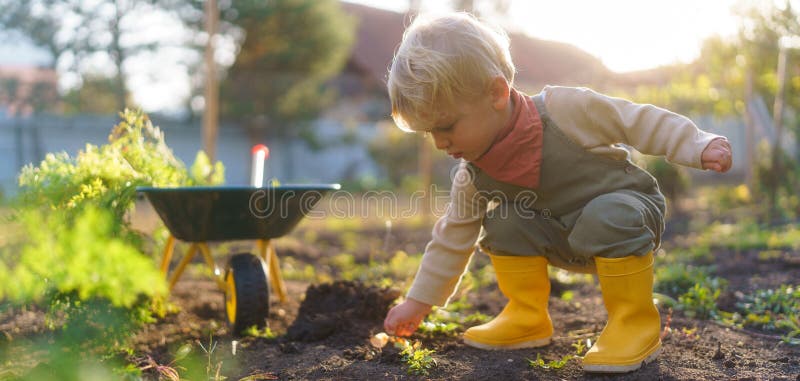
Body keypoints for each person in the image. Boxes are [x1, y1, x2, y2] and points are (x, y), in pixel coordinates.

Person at [382, 12, 733, 373]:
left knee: (608, 214)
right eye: (430, 133)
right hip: (563, 238)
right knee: (503, 219)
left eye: (446, 126)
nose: (440, 143)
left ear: (497, 93)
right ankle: (526, 315)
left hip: (628, 217)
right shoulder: (473, 174)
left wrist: (696, 144)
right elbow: (451, 237)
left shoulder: (565, 110)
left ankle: (633, 323)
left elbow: (635, 120)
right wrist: (418, 303)